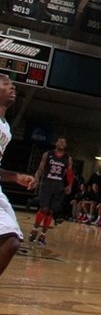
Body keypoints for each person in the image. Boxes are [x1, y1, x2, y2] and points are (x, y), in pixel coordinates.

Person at [0, 75, 35, 276]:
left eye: (13, 85)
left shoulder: (5, 127)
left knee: (11, 238)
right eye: (6, 84)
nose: (12, 87)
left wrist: (15, 177)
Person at [30, 136, 73, 246]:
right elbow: (40, 169)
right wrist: (36, 178)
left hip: (59, 185)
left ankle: (43, 235)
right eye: (60, 141)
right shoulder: (48, 154)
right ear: (56, 143)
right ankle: (34, 229)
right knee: (44, 208)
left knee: (50, 211)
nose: (61, 143)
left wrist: (70, 185)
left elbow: (69, 173)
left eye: (64, 141)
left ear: (66, 145)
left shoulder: (68, 158)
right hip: (47, 183)